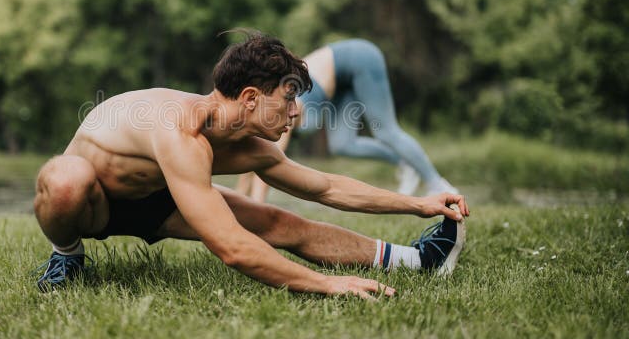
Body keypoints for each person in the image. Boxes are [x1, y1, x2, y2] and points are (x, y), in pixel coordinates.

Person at [33, 33, 469, 298]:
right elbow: (232, 248)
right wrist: (323, 283)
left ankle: (418, 261)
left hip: (155, 193)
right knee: (66, 178)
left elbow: (325, 188)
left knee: (281, 222)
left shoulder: (247, 145)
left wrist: (418, 204)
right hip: (91, 202)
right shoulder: (179, 132)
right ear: (249, 98)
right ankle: (67, 255)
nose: (296, 113)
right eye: (289, 97)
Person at [235, 39, 460, 203]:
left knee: (386, 131)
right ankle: (404, 162)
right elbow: (253, 161)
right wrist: (238, 199)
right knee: (342, 144)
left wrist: (257, 206)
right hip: (341, 84)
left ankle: (437, 183)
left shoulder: (286, 103)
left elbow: (269, 160)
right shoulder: (270, 112)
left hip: (360, 58)